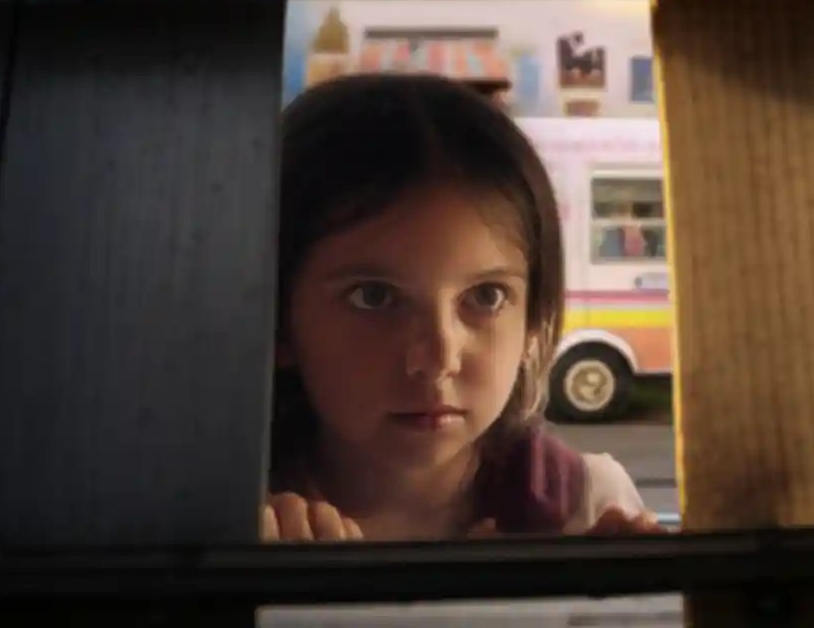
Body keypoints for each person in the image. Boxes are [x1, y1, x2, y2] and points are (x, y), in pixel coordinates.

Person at [263, 73, 662, 542]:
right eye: (373, 297)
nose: (437, 359)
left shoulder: (585, 508)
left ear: (532, 319)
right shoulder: (217, 523)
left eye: (486, 297)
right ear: (279, 322)